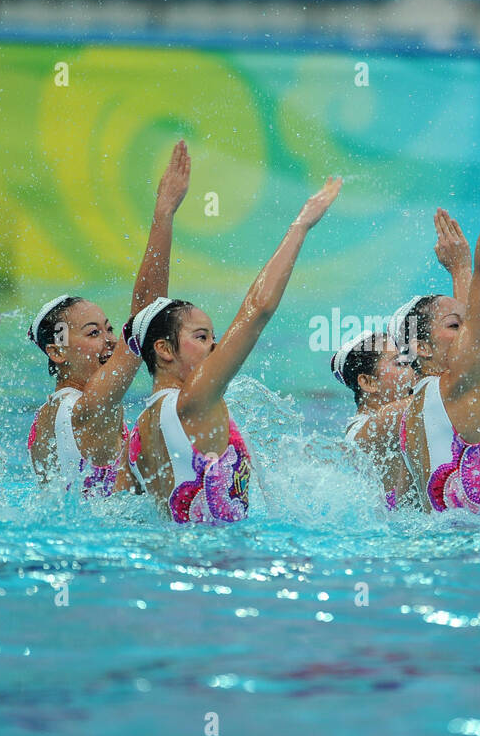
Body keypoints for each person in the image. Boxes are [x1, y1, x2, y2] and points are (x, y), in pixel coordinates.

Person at [116, 177, 343, 524]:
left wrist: (164, 214)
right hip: (218, 562)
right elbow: (257, 310)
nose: (216, 345)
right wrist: (300, 226)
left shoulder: (137, 436)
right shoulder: (194, 399)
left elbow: (124, 512)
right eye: (202, 336)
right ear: (163, 350)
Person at [27, 140, 190, 497]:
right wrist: (163, 214)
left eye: (109, 329)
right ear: (57, 352)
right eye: (92, 333)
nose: (112, 340)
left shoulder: (46, 417)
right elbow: (146, 317)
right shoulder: (87, 410)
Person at [388, 100, 480, 514]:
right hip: (476, 560)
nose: (468, 330)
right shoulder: (459, 384)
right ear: (424, 349)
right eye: (453, 326)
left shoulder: (415, 408)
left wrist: (459, 268)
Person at [331, 208, 471, 507]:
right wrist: (461, 271)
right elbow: (462, 371)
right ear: (367, 382)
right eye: (402, 363)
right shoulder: (364, 432)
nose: (413, 371)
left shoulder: (416, 411)